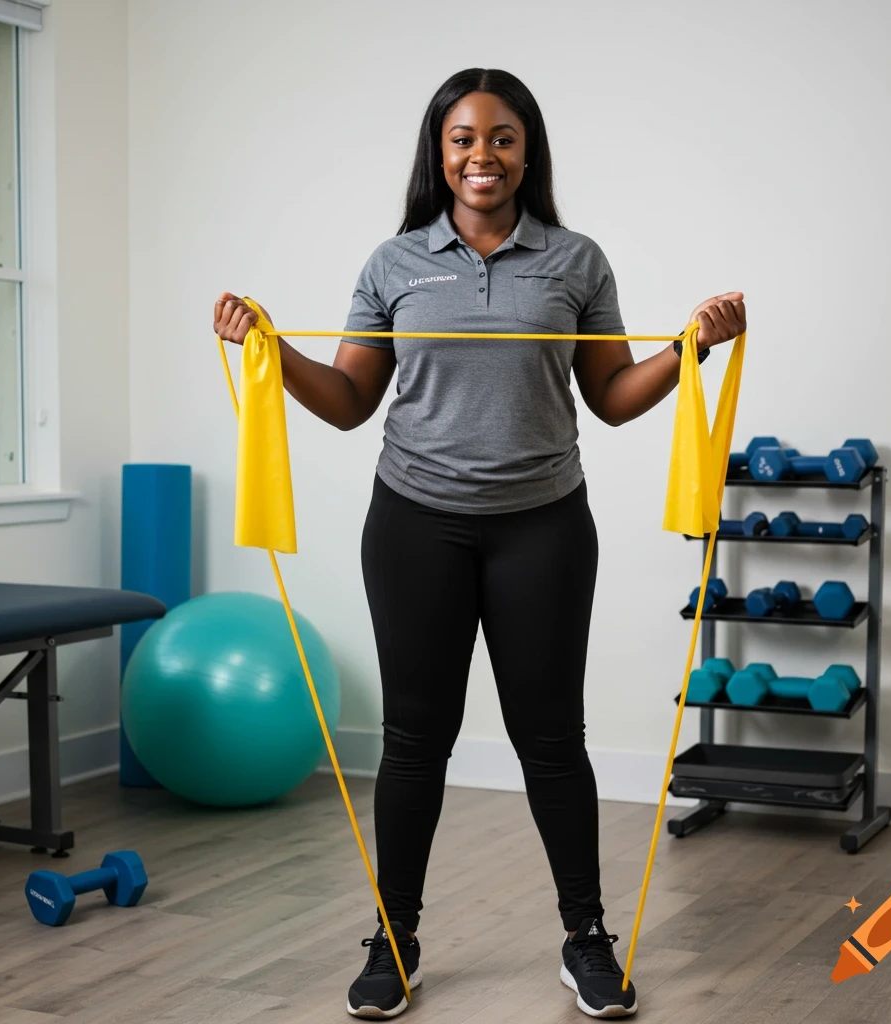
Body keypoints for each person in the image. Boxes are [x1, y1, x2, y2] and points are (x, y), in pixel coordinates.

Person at [214, 67, 745, 1020]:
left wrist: (690, 349)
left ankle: (586, 938)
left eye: (502, 137)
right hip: (414, 521)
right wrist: (268, 345)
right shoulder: (394, 263)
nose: (482, 156)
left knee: (553, 738)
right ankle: (395, 940)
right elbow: (349, 400)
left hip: (543, 524)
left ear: (528, 152)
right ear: (440, 152)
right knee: (415, 739)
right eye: (463, 139)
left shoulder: (575, 260)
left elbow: (613, 399)